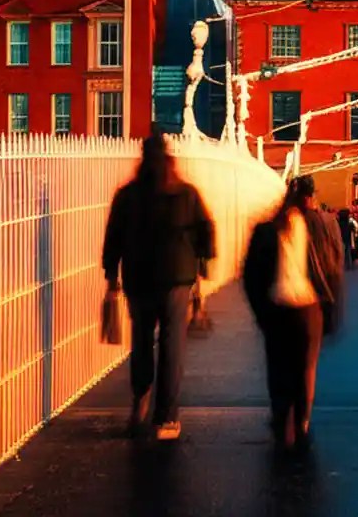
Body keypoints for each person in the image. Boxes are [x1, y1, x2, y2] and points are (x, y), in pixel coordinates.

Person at [102, 135, 216, 441]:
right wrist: (202, 267)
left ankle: (140, 402)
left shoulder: (128, 195)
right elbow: (206, 230)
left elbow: (113, 237)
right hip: (176, 281)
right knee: (172, 346)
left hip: (139, 279)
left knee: (141, 342)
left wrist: (111, 276)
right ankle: (166, 416)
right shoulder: (185, 193)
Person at [243, 176, 344, 451]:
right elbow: (333, 268)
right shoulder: (320, 227)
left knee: (278, 366)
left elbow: (251, 274)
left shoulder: (267, 228)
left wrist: (260, 311)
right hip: (308, 308)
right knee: (306, 368)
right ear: (310, 198)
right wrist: (332, 309)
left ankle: (280, 418)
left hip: (277, 307)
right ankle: (302, 421)